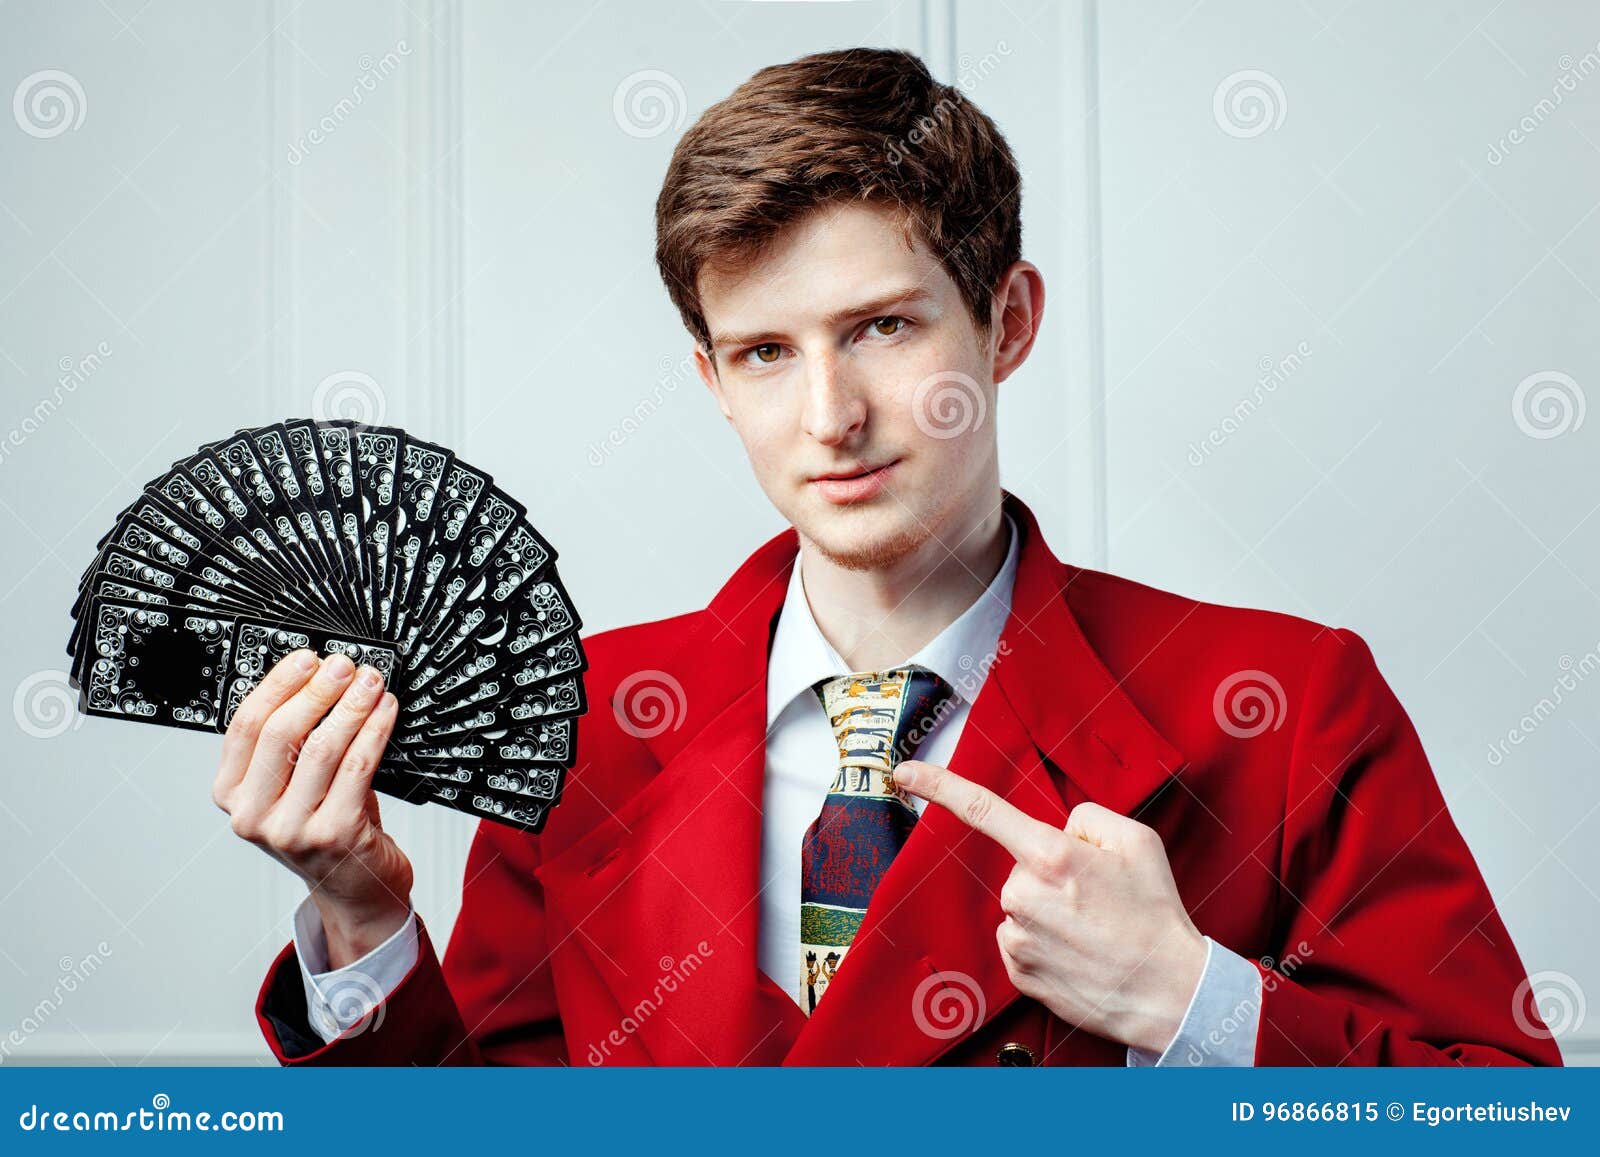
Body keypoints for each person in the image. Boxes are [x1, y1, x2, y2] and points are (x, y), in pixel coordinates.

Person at [215, 47, 1561, 1067]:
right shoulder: (585, 731)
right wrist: (362, 920)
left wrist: (1192, 1001)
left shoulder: (1286, 702)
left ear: (1006, 322)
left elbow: (1499, 1117)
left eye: (883, 329)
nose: (830, 417)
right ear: (713, 380)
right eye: (766, 352)